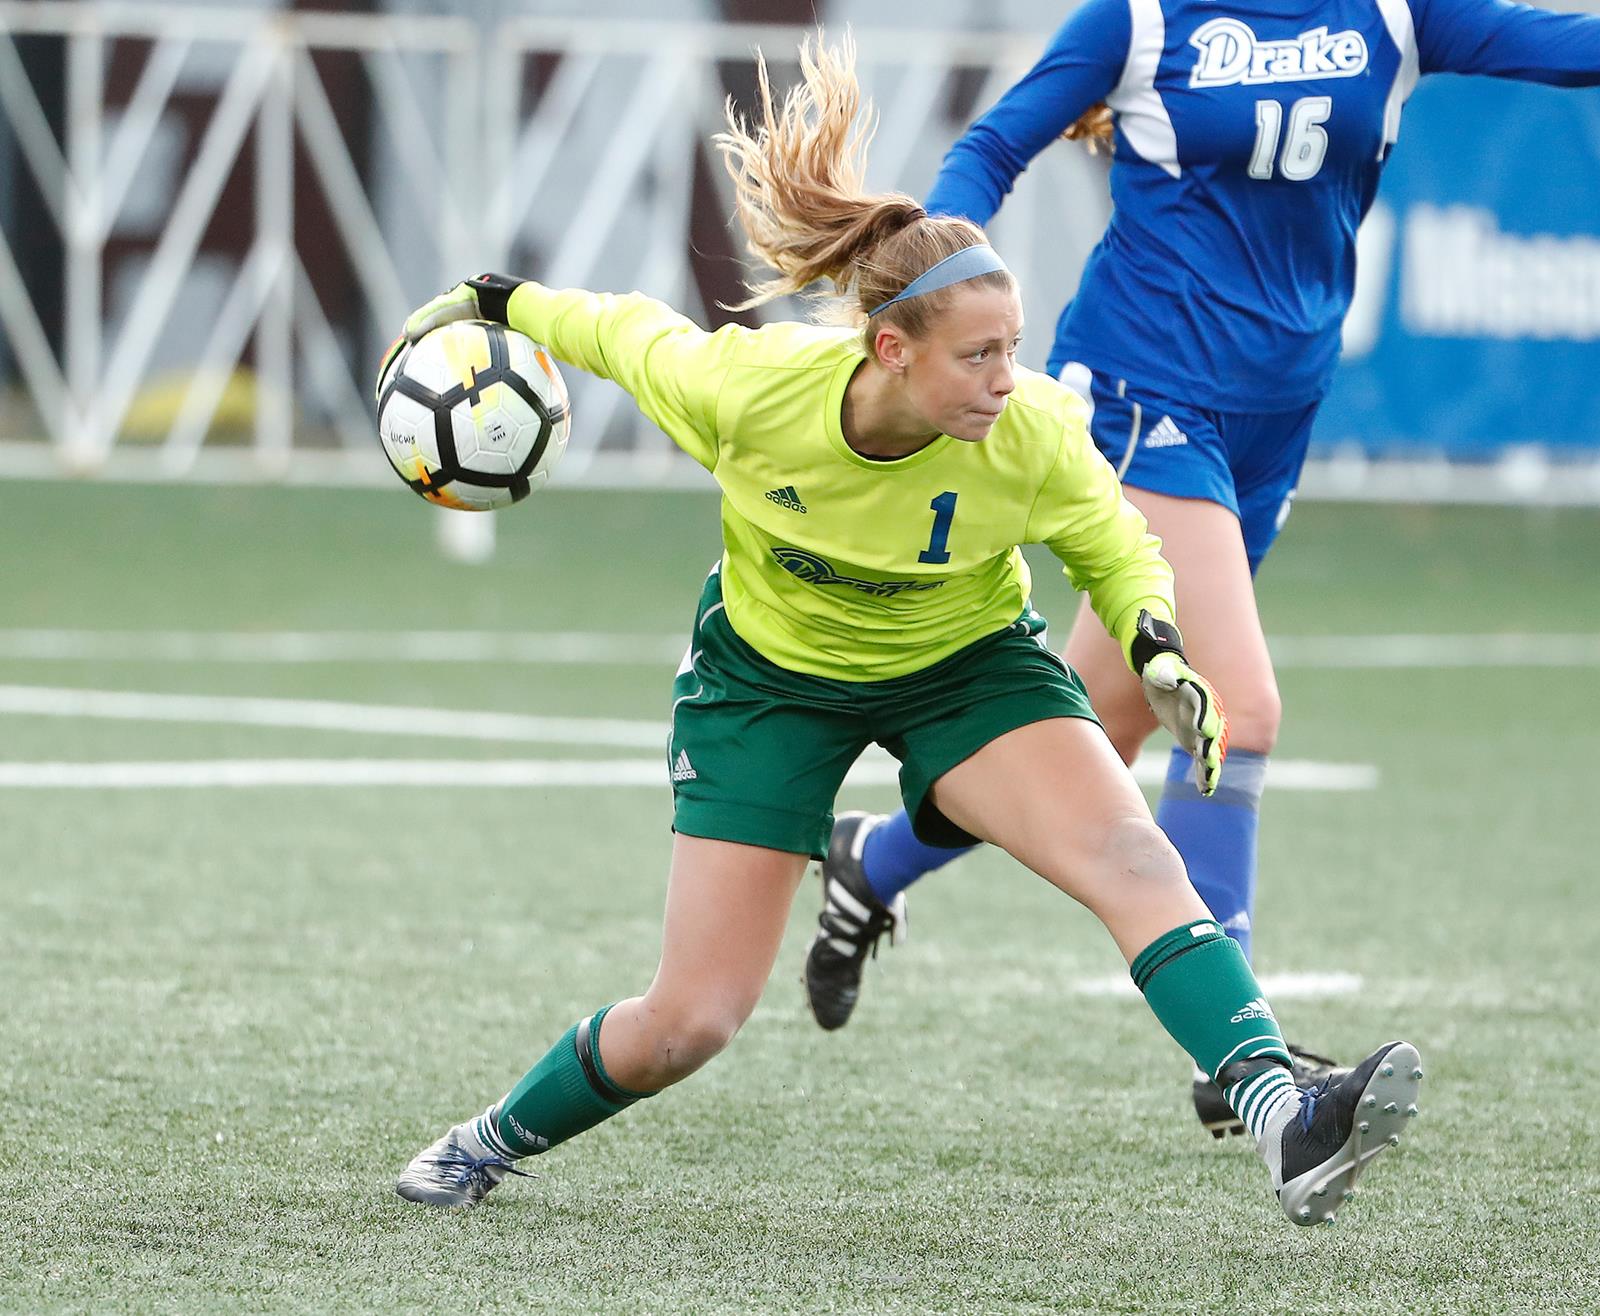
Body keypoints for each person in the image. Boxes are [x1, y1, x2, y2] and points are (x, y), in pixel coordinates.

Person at [392, 35, 1421, 1227]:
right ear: (891, 349)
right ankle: (483, 1140)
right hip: (768, 686)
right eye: (978, 355)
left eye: (1012, 349)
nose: (1006, 377)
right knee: (691, 1020)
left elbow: (1114, 539)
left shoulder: (1031, 426)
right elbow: (619, 330)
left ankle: (1282, 1117)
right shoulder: (752, 393)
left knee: (1134, 857)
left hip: (964, 670)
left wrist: (1152, 644)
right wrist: (488, 300)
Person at [802, 2, 1600, 1136]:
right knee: (1235, 704)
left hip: (1275, 408)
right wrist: (940, 283)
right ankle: (1238, 1053)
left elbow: (1523, 39)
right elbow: (993, 146)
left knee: (1095, 724)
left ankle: (872, 863)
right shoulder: (1142, 21)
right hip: (1143, 386)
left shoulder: (1386, 13)